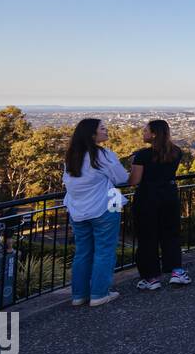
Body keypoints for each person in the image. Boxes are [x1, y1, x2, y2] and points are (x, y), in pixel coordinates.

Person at [61, 118, 129, 307]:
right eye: (102, 128)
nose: (106, 130)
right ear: (92, 134)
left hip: (77, 211)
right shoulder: (103, 155)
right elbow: (122, 179)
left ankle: (79, 295)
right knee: (104, 251)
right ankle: (99, 293)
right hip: (105, 208)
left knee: (82, 252)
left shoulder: (71, 156)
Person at [128, 120, 187, 290]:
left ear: (154, 134)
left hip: (147, 197)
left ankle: (151, 278)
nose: (143, 133)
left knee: (147, 237)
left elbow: (134, 181)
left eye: (145, 130)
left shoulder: (143, 155)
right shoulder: (176, 152)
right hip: (169, 195)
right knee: (171, 234)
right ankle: (176, 272)